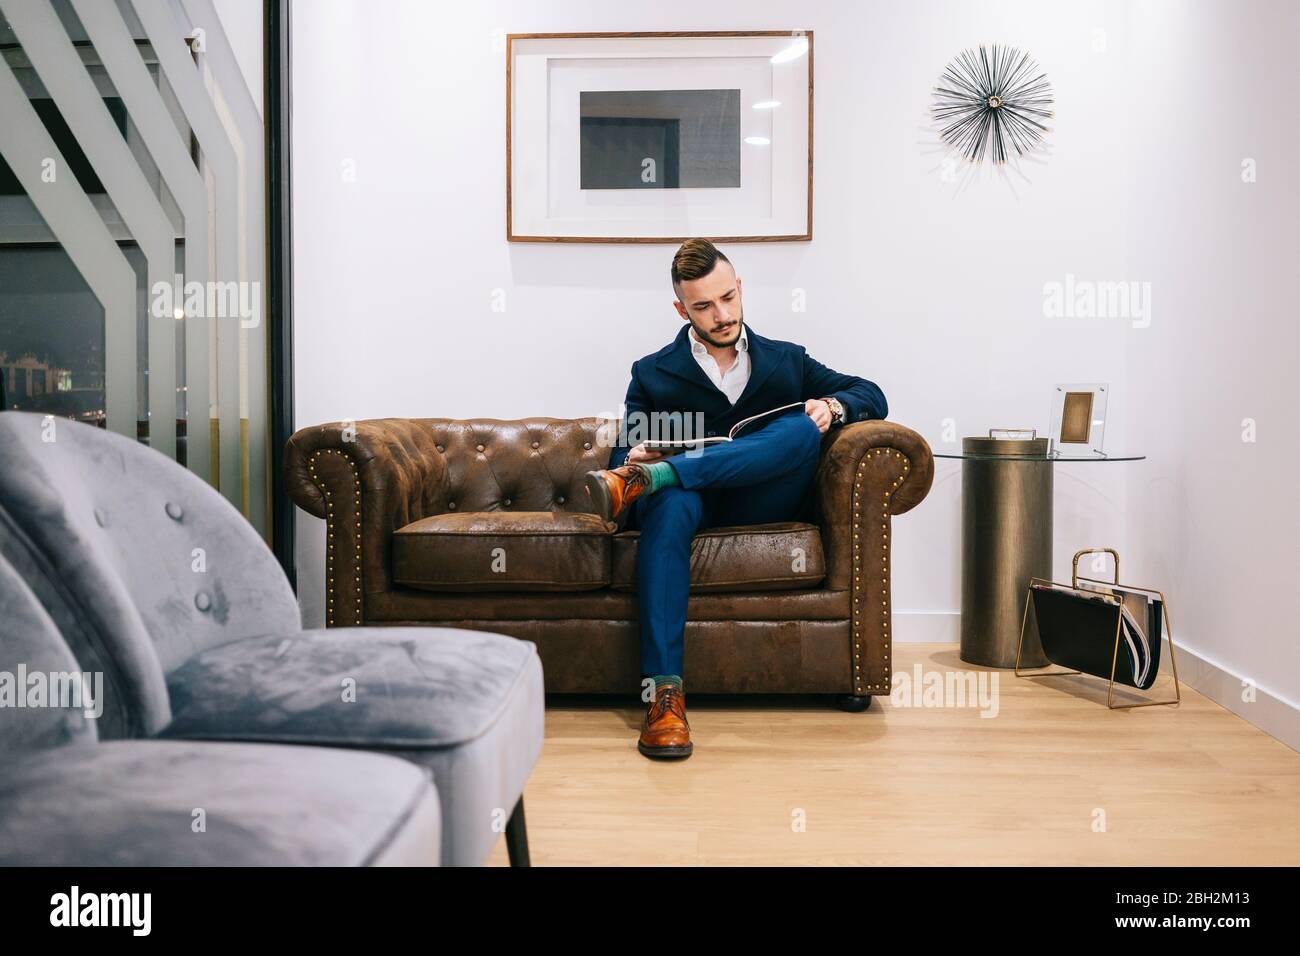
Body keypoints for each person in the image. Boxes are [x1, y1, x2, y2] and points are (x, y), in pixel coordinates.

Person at [584, 238, 888, 759]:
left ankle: (666, 476)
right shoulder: (652, 372)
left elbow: (873, 393)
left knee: (798, 431)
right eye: (703, 306)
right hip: (690, 507)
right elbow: (617, 466)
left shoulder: (787, 361)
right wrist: (635, 458)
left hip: (763, 497)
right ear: (681, 309)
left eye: (727, 298)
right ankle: (664, 699)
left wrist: (834, 408)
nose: (721, 314)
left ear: (740, 288)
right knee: (668, 500)